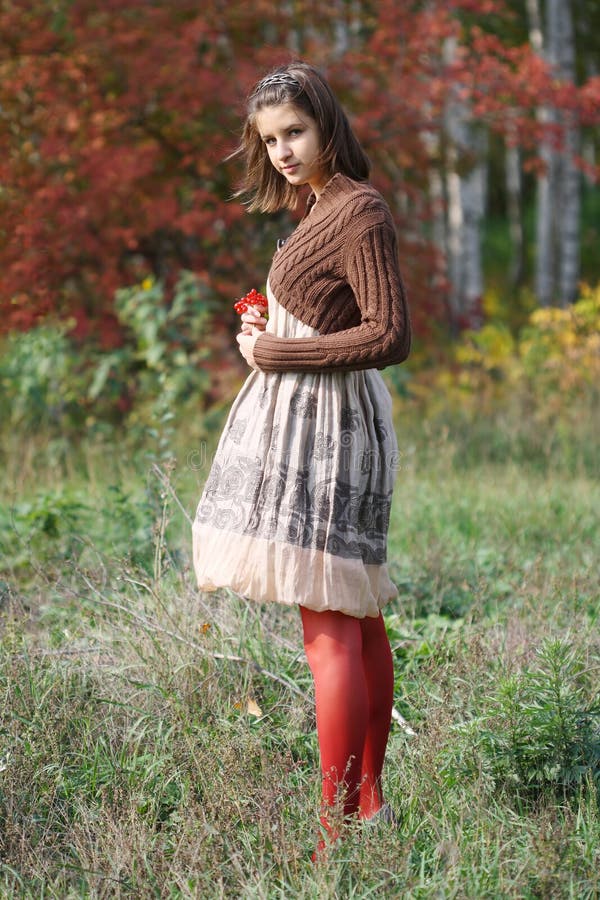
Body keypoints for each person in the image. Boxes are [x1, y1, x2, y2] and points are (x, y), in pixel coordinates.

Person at [192, 61, 411, 858]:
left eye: (294, 132)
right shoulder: (322, 205)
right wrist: (268, 330)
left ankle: (333, 833)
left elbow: (391, 335)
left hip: (330, 429)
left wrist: (277, 350)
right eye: (270, 139)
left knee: (332, 630)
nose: (283, 151)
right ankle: (367, 806)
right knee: (354, 617)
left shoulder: (359, 210)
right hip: (319, 415)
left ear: (325, 123)